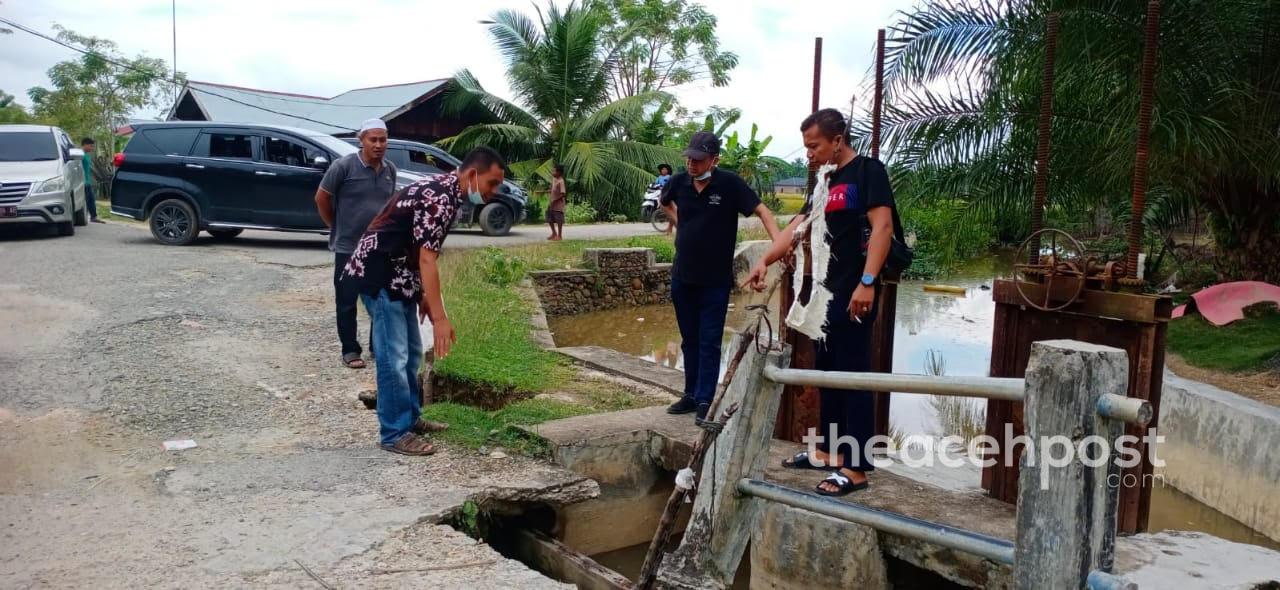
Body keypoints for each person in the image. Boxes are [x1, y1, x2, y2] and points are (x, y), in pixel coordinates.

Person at [744, 108, 898, 496]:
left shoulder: (867, 172)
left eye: (814, 146)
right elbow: (796, 229)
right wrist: (764, 259)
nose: (809, 154)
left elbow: (882, 227)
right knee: (827, 373)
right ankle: (829, 452)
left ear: (837, 139)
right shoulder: (824, 182)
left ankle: (857, 467)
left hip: (855, 293)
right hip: (825, 298)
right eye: (807, 147)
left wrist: (868, 281)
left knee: (854, 377)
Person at [341, 146, 508, 456]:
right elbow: (429, 260)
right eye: (492, 183)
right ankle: (393, 433)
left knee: (412, 351)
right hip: (378, 275)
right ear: (472, 174)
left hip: (400, 276)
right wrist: (441, 318)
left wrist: (422, 296)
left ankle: (410, 419)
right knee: (395, 356)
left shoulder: (450, 195)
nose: (493, 191)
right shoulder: (440, 197)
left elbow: (418, 249)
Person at [660, 132, 781, 423]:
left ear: (714, 159)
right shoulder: (679, 182)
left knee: (710, 340)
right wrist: (683, 224)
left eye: (699, 160)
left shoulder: (729, 184)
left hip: (715, 279)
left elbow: (762, 211)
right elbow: (665, 203)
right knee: (689, 339)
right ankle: (690, 394)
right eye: (689, 157)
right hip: (683, 276)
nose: (692, 163)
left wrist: (779, 244)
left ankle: (705, 399)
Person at [315, 118, 397, 369]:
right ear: (361, 140)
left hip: (379, 249)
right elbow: (321, 199)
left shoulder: (389, 170)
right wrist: (336, 226)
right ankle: (350, 350)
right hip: (348, 248)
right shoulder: (343, 166)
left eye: (383, 139)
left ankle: (377, 346)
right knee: (347, 300)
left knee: (381, 299)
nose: (378, 144)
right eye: (373, 139)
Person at [80, 138, 105, 224]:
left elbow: (89, 168)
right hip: (82, 182)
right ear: (85, 145)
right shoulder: (80, 155)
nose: (92, 148)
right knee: (84, 200)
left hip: (88, 181)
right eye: (91, 146)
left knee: (91, 199)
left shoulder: (87, 155)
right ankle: (84, 217)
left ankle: (93, 217)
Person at [547, 164, 567, 241]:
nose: (552, 172)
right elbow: (553, 189)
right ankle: (554, 233)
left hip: (558, 205)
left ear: (559, 172)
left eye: (554, 171)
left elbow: (563, 194)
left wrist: (555, 200)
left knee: (559, 220)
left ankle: (559, 235)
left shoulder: (561, 181)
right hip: (551, 203)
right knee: (549, 218)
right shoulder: (554, 179)